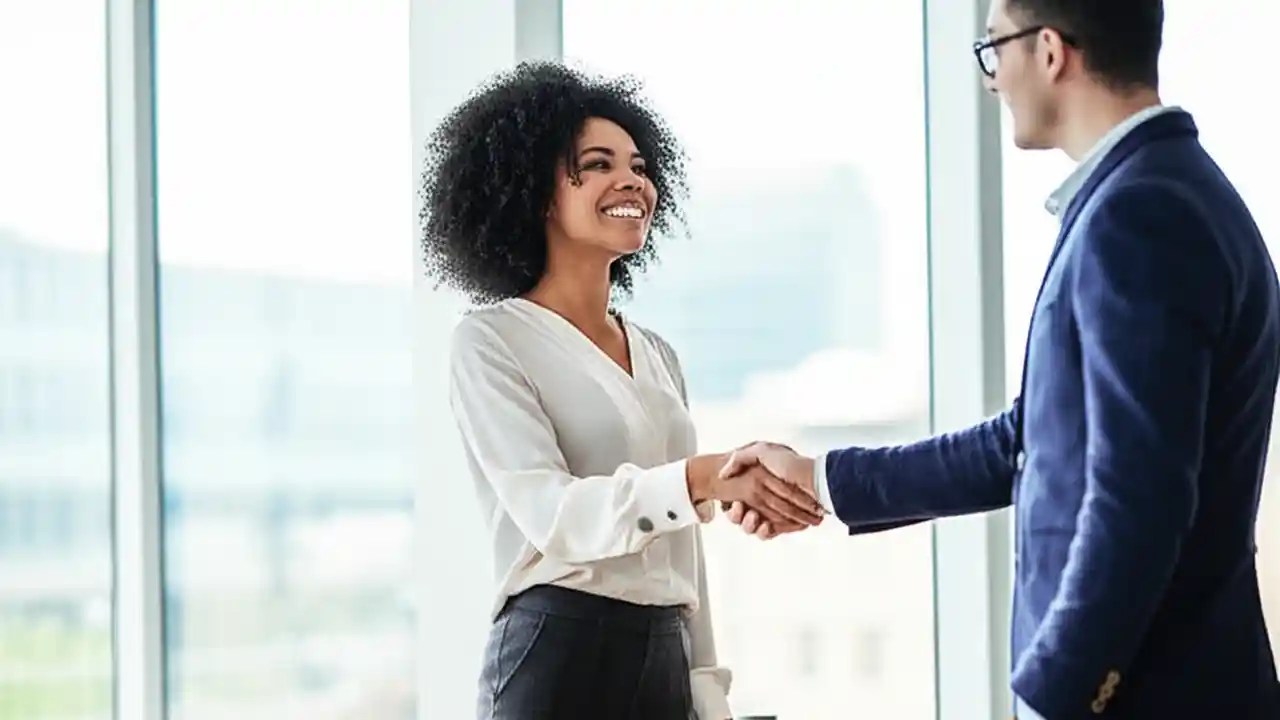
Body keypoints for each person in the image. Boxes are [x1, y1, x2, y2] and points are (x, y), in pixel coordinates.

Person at [721, 1, 1280, 718]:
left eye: (994, 49)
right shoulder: (1162, 193)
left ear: (1050, 52)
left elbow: (1138, 498)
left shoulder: (1142, 218)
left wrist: (1061, 689)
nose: (991, 81)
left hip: (1148, 693)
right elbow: (1029, 441)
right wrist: (825, 480)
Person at [420, 61, 824, 720]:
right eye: (599, 164)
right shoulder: (490, 342)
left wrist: (706, 690)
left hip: (664, 652)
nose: (631, 180)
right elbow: (555, 515)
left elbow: (683, 552)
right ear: (537, 191)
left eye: (638, 165)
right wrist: (704, 477)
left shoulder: (659, 353)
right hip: (559, 653)